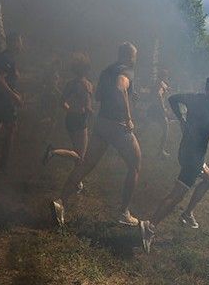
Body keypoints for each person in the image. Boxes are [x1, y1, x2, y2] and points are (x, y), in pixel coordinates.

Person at [52, 42, 143, 228]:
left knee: (86, 164)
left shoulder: (106, 70)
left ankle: (60, 202)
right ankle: (124, 213)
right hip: (117, 125)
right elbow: (120, 87)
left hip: (101, 124)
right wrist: (128, 118)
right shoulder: (126, 70)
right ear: (128, 56)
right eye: (134, 57)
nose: (135, 60)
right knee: (135, 164)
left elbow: (99, 96)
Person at [140, 76, 209, 252]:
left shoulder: (195, 97)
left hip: (186, 150)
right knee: (177, 194)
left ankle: (187, 214)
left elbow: (172, 99)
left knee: (208, 178)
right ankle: (150, 225)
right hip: (194, 157)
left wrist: (181, 118)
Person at [43, 52, 94, 192]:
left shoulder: (70, 84)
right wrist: (89, 112)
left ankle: (78, 183)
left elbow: (62, 102)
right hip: (80, 120)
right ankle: (53, 152)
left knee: (78, 154)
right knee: (80, 156)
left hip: (70, 119)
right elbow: (88, 107)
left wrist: (70, 110)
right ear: (85, 69)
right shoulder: (87, 85)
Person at [0, 33, 25, 172]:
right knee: (11, 130)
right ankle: (3, 167)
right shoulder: (6, 58)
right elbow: (0, 79)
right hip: (2, 100)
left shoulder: (7, 57)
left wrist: (16, 93)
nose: (22, 45)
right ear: (14, 42)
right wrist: (14, 97)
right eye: (20, 42)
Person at [147, 69, 172, 157]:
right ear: (164, 76)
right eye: (166, 75)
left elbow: (164, 88)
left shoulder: (160, 82)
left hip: (154, 108)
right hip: (158, 109)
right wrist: (163, 108)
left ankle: (140, 140)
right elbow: (159, 96)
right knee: (166, 129)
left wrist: (167, 89)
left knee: (146, 126)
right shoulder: (159, 84)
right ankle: (161, 151)